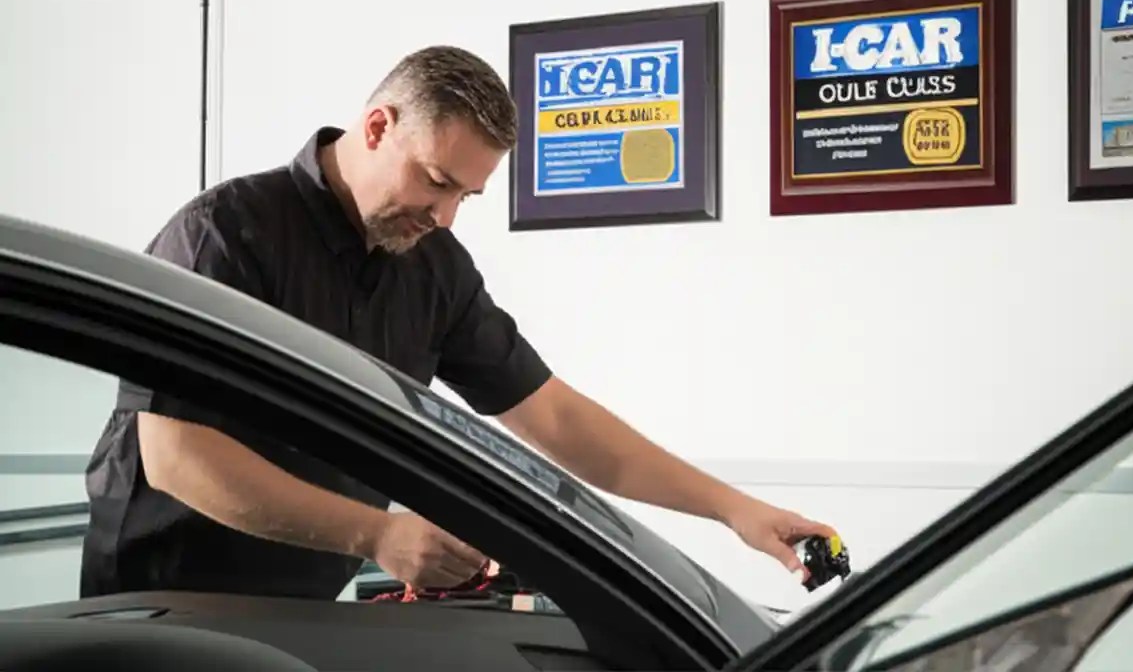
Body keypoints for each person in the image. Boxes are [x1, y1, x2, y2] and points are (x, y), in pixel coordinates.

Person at [80, 45, 837, 601]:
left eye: (464, 197)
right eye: (437, 182)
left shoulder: (433, 267)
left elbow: (557, 417)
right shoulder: (223, 234)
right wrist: (376, 534)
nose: (443, 217)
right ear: (378, 127)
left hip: (305, 608)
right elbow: (176, 456)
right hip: (165, 608)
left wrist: (736, 511)